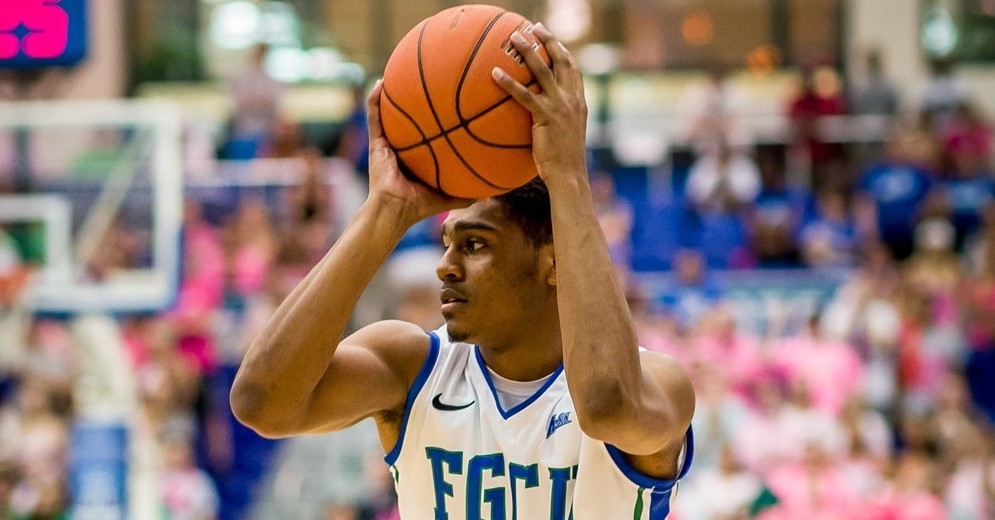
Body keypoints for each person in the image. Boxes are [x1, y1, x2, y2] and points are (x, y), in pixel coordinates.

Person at [231, 24, 695, 519]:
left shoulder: (658, 383)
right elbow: (261, 402)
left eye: (474, 245)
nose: (445, 266)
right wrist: (383, 211)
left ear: (553, 260)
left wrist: (567, 177)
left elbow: (606, 407)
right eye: (447, 242)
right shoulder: (411, 367)